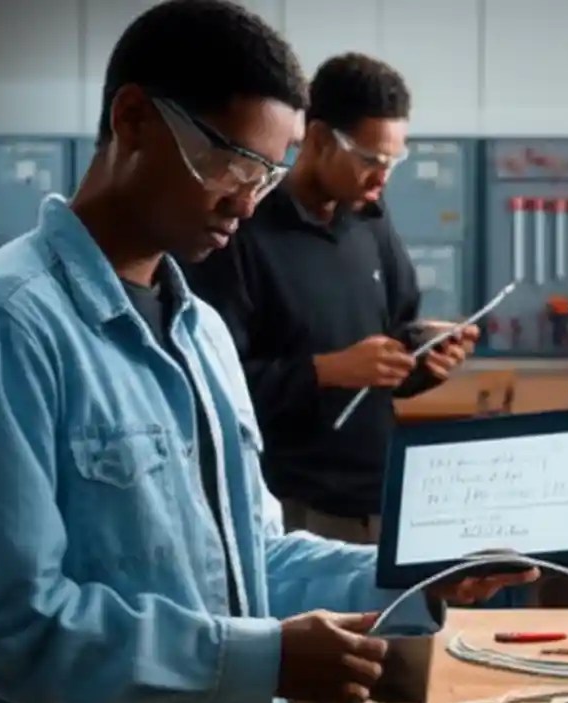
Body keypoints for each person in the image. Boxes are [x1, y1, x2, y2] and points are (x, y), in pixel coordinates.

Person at [0, 3, 530, 703]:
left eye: (266, 175)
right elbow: (7, 629)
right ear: (133, 120)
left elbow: (252, 559)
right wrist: (266, 659)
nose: (247, 204)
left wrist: (413, 574)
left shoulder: (201, 332)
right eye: (232, 164)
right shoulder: (2, 326)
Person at [184, 52, 478, 543]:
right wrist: (325, 371)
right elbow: (211, 389)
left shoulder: (371, 221)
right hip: (291, 508)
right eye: (370, 160)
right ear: (317, 138)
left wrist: (425, 358)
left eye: (393, 161)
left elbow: (393, 343)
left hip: (381, 497)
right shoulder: (241, 231)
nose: (382, 178)